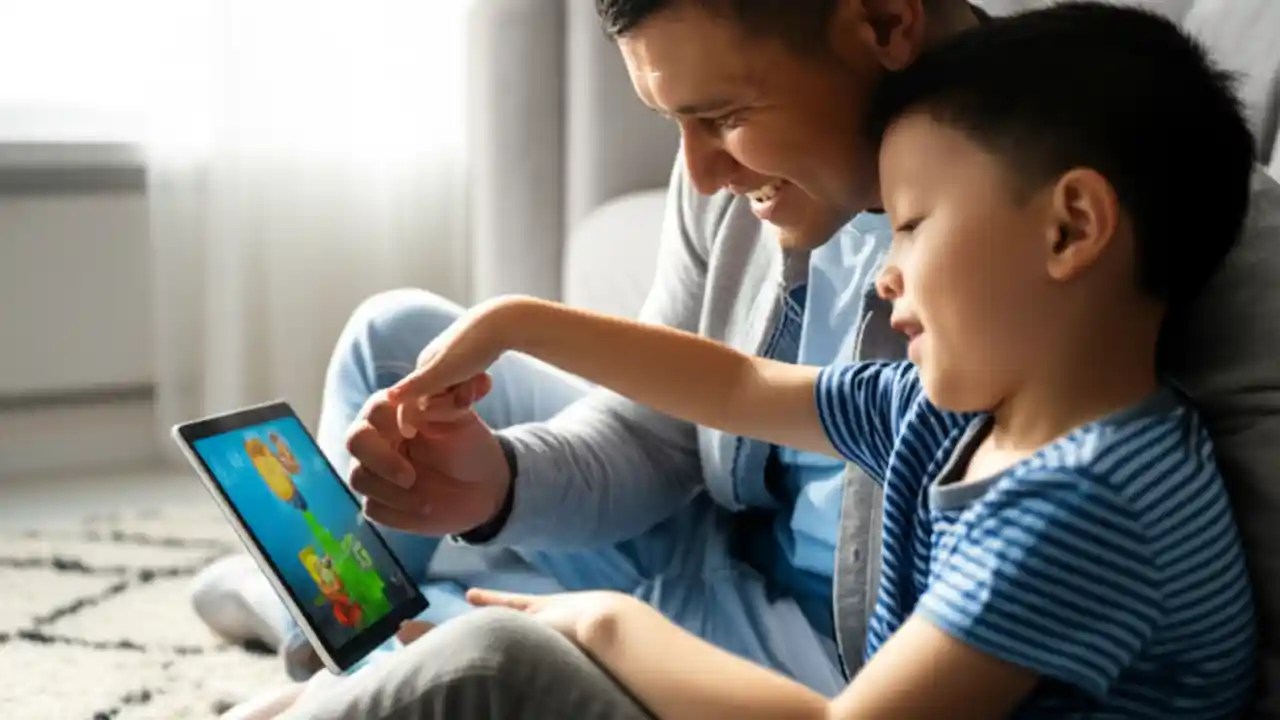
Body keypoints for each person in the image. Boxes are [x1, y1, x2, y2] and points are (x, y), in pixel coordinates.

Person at [376, 4, 1257, 716]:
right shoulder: (947, 412)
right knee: (459, 651)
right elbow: (735, 384)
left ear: (1070, 227)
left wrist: (607, 628)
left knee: (491, 662)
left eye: (908, 226)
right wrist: (518, 321)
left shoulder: (1086, 503)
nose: (884, 272)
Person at [196, 0, 988, 694]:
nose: (701, 177)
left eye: (724, 117)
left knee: (479, 651)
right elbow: (684, 415)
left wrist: (602, 633)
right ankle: (339, 631)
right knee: (395, 339)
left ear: (884, 21)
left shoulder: (1017, 247)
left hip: (799, 649)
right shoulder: (738, 190)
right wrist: (497, 482)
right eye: (672, 121)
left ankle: (318, 635)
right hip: (713, 530)